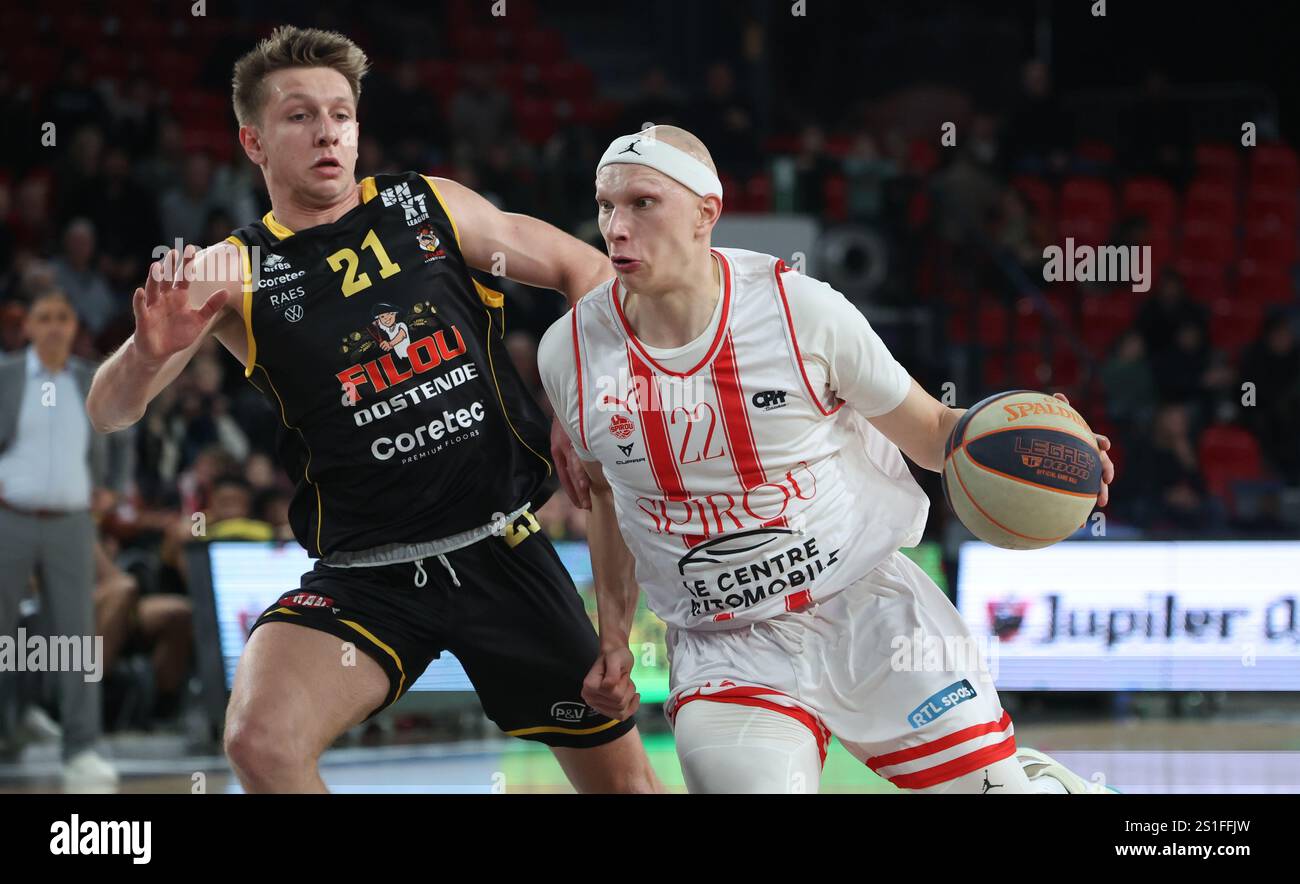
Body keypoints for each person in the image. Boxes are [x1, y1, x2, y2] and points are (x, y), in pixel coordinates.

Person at [86, 26, 659, 794]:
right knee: (260, 742)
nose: (327, 132)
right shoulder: (232, 270)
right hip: (365, 578)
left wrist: (574, 398)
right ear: (253, 141)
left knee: (628, 788)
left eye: (341, 114)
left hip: (500, 550)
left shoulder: (428, 204)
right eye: (299, 116)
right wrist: (145, 354)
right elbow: (108, 411)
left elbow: (586, 269)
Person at [538, 125, 1117, 794]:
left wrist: (1040, 442)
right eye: (606, 205)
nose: (616, 227)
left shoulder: (801, 312)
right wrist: (613, 637)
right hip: (727, 650)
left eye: (643, 203)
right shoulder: (569, 353)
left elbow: (932, 430)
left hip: (868, 610)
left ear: (706, 212)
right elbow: (609, 495)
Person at [0, 287, 132, 787]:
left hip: (73, 523)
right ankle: (11, 725)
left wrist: (114, 488)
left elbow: (123, 430)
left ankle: (81, 748)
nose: (54, 326)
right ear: (28, 326)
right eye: (45, 317)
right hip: (9, 518)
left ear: (75, 326)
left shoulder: (89, 379)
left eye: (63, 317)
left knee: (76, 640)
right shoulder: (7, 376)